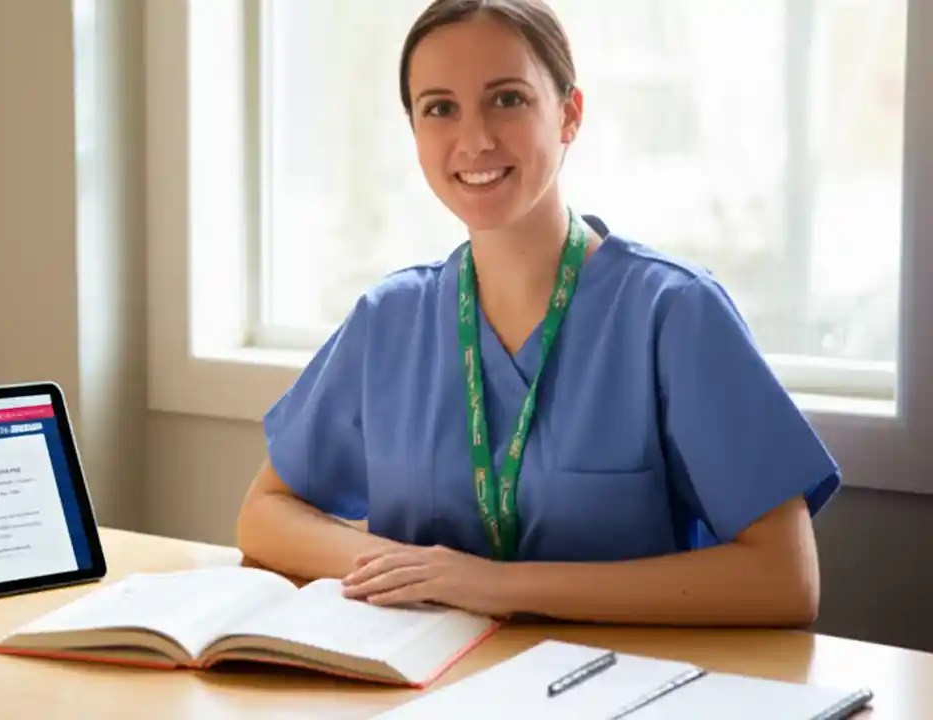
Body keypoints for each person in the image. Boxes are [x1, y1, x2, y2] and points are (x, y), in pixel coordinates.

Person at [234, 0, 840, 627]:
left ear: (569, 114)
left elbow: (785, 578)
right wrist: (416, 572)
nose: (475, 140)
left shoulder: (673, 313)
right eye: (440, 108)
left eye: (508, 99)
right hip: (423, 685)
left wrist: (498, 586)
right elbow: (265, 513)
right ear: (415, 130)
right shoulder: (390, 319)